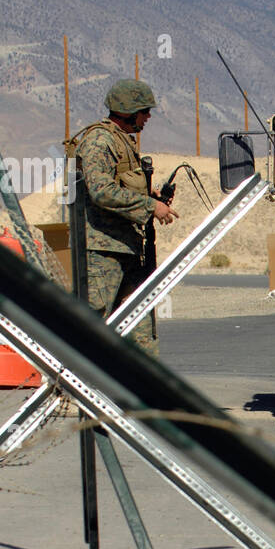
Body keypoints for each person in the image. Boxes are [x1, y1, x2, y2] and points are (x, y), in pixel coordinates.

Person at [73, 79, 178, 355]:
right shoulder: (99, 140)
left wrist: (150, 195)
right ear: (129, 111)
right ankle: (84, 391)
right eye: (144, 111)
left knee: (139, 324)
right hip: (102, 252)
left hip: (127, 249)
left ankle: (141, 390)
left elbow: (118, 183)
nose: (148, 117)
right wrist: (149, 206)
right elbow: (101, 190)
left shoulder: (121, 142)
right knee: (94, 329)